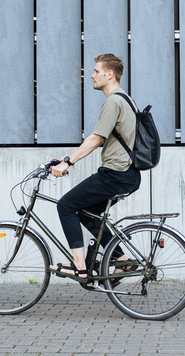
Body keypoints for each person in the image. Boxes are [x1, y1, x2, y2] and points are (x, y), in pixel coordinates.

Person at [49, 53, 140, 282]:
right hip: (127, 174)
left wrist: (68, 161)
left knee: (66, 205)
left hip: (115, 175)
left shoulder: (114, 102)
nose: (92, 75)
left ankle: (79, 266)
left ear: (109, 74)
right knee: (87, 213)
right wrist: (66, 157)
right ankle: (120, 260)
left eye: (96, 71)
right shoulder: (126, 99)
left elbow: (95, 139)